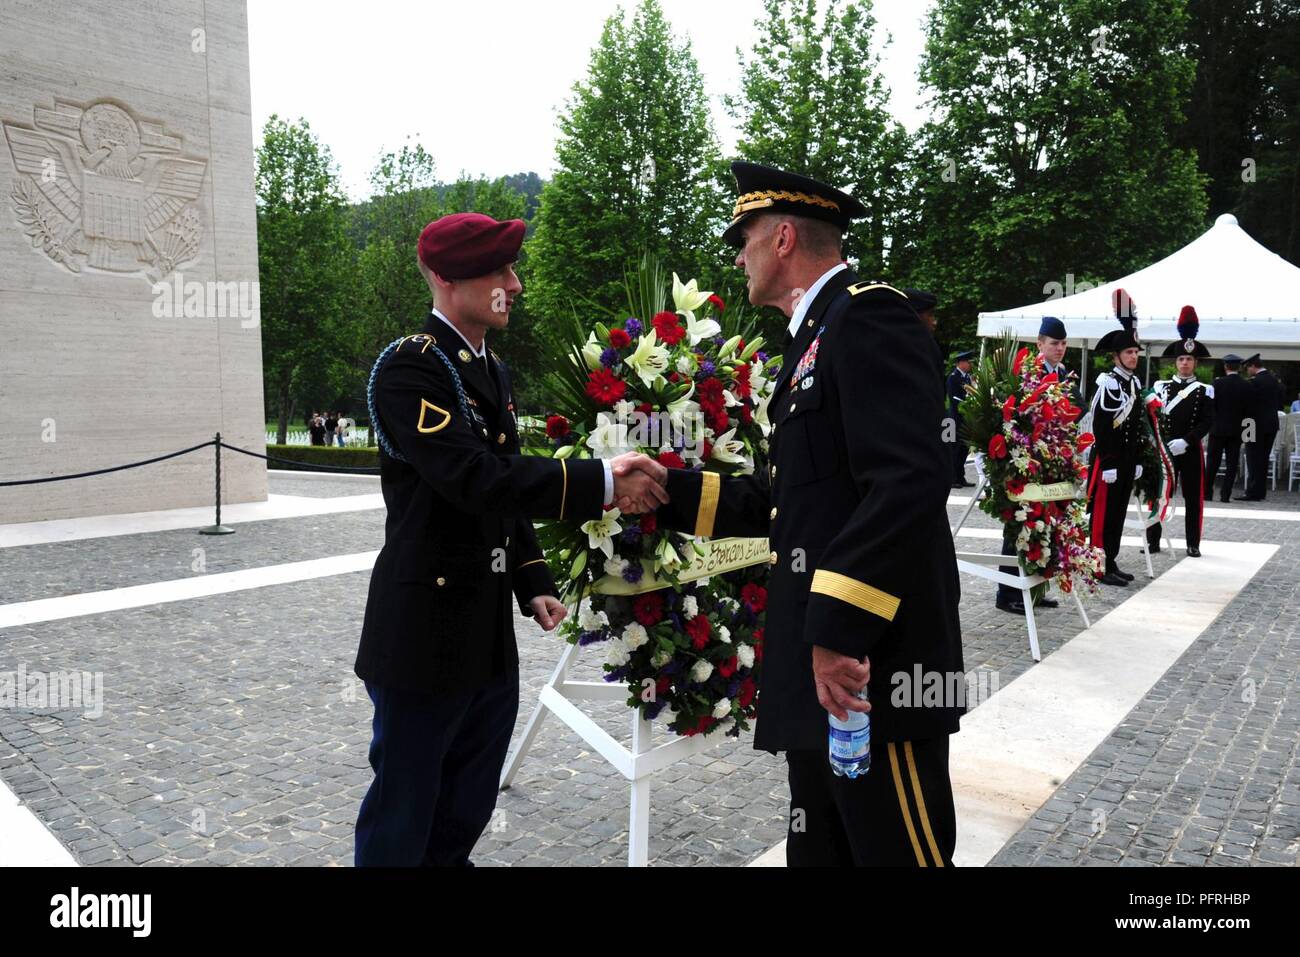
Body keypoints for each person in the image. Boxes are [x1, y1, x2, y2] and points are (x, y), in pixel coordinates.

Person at [638, 162, 963, 867]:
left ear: (783, 236)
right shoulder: (815, 334)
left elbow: (908, 480)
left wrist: (839, 631)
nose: (737, 253)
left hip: (873, 668)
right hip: (826, 675)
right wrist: (666, 488)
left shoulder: (868, 315)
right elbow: (793, 498)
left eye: (743, 236)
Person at [353, 212, 667, 867]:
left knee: (466, 804)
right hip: (423, 634)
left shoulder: (487, 369)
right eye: (500, 270)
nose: (515, 285)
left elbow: (503, 487)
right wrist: (602, 481)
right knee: (404, 812)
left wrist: (532, 579)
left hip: (484, 636)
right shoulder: (410, 368)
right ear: (446, 277)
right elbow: (476, 477)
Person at [994, 316, 1074, 613]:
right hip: (1026, 460)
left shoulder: (1062, 373)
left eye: (1064, 343)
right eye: (1054, 343)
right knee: (1019, 524)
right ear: (1040, 343)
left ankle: (1036, 589)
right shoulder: (1029, 371)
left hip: (1051, 461)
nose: (1060, 348)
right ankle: (1007, 594)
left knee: (1046, 526)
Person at [1087, 290, 1146, 587]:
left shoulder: (1133, 383)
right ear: (1116, 357)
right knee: (1102, 516)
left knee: (1118, 514)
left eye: (1136, 353)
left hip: (1125, 462)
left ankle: (1111, 560)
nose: (1133, 357)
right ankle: (1097, 565)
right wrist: (1109, 462)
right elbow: (1103, 427)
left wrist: (1135, 460)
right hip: (1108, 463)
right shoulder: (1108, 384)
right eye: (1128, 353)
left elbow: (1135, 427)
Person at [1145, 307, 1213, 557]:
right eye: (1181, 359)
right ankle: (1153, 540)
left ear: (1196, 363)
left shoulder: (1205, 390)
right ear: (1175, 362)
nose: (1185, 363)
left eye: (1189, 360)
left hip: (1190, 449)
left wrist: (1187, 441)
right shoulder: (1160, 387)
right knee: (1158, 493)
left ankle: (1192, 543)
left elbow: (1208, 421)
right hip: (1165, 449)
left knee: (1194, 499)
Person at [1239, 354, 1284, 501]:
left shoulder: (1254, 382)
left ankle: (1252, 492)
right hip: (1271, 424)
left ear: (1253, 366)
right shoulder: (1273, 380)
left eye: (1247, 368)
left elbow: (1246, 403)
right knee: (1263, 459)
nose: (1247, 371)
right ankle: (1260, 491)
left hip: (1251, 424)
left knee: (1252, 458)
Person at [1206, 354, 1251, 501]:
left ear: (1225, 366)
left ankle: (1207, 493)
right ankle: (1226, 495)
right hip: (1236, 431)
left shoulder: (1217, 383)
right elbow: (1249, 411)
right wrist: (1248, 434)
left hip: (1217, 429)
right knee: (1232, 464)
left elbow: (1210, 406)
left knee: (1212, 462)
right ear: (1239, 367)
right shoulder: (1246, 385)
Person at [947, 350, 975, 488]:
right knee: (955, 448)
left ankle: (960, 476)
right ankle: (952, 478)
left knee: (963, 449)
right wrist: (967, 404)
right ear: (960, 363)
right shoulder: (953, 377)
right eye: (968, 361)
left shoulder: (967, 377)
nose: (970, 364)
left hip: (965, 419)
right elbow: (954, 399)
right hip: (955, 419)